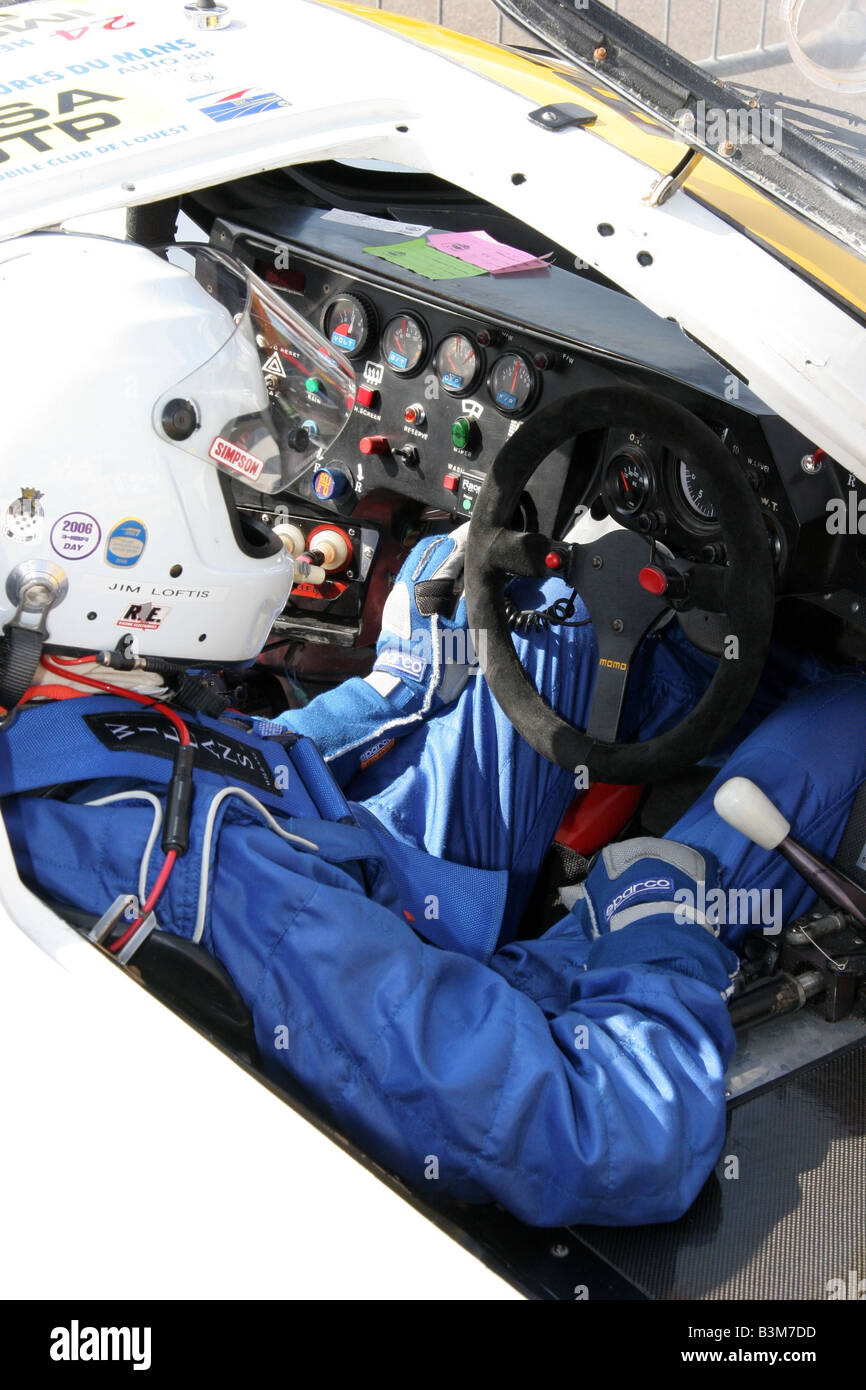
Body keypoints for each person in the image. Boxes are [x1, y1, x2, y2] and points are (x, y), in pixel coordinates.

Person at [1, 232, 862, 1227]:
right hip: (467, 989)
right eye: (232, 487)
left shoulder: (61, 713)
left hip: (359, 883)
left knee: (555, 624)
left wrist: (395, 687)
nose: (266, 512)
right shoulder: (244, 898)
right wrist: (660, 925)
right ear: (118, 522)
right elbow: (610, 1139)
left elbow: (211, 768)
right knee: (829, 735)